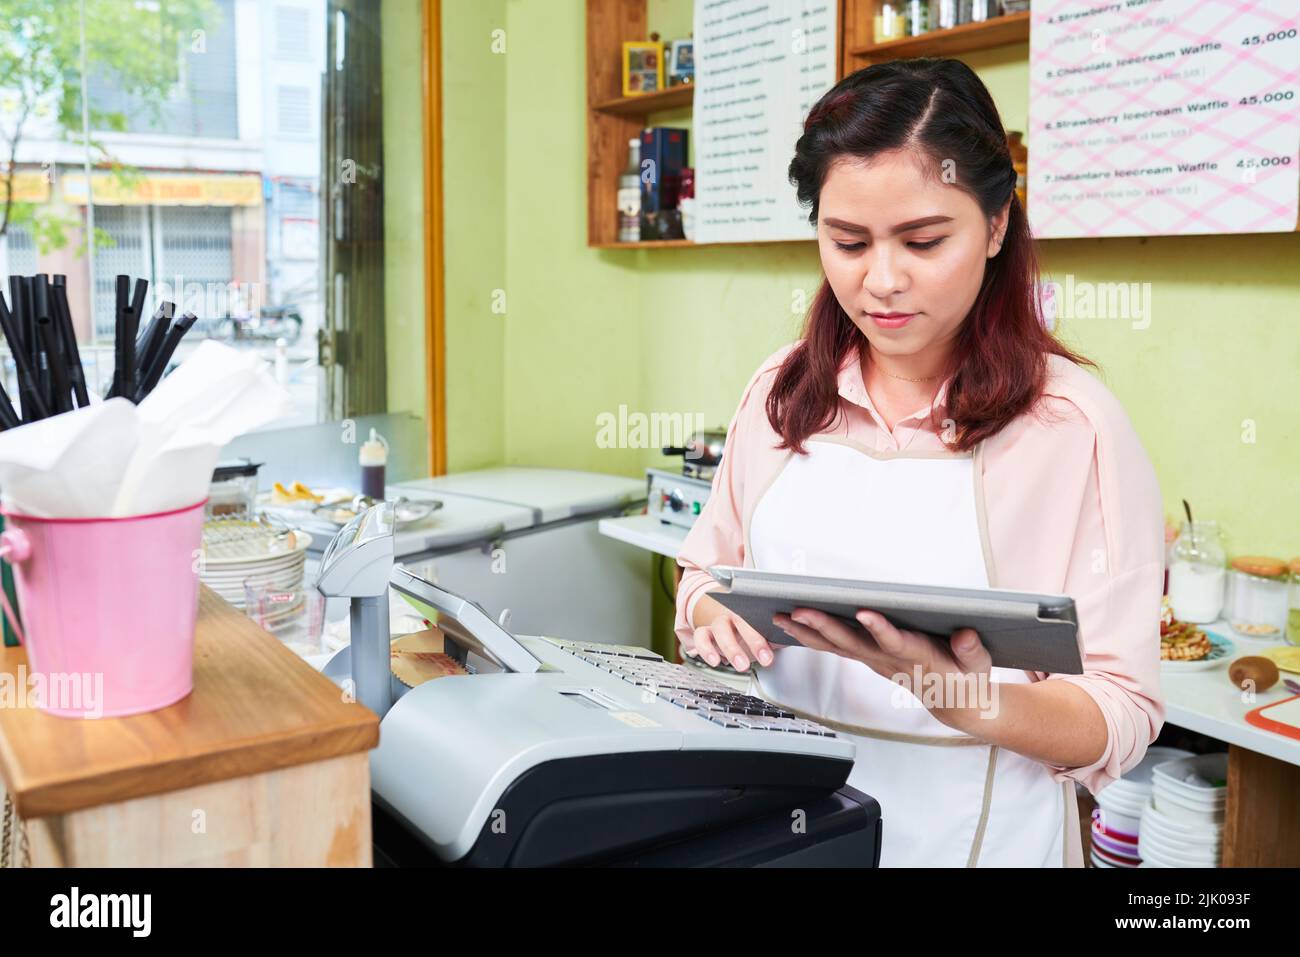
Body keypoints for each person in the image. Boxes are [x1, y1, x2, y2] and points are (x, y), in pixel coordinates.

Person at [673, 58, 1165, 868]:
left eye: (925, 240)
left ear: (998, 225)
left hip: (980, 842)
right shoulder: (782, 390)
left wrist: (954, 693)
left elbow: (1124, 713)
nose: (882, 280)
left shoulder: (1073, 428)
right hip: (780, 830)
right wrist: (707, 617)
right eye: (848, 241)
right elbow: (702, 574)